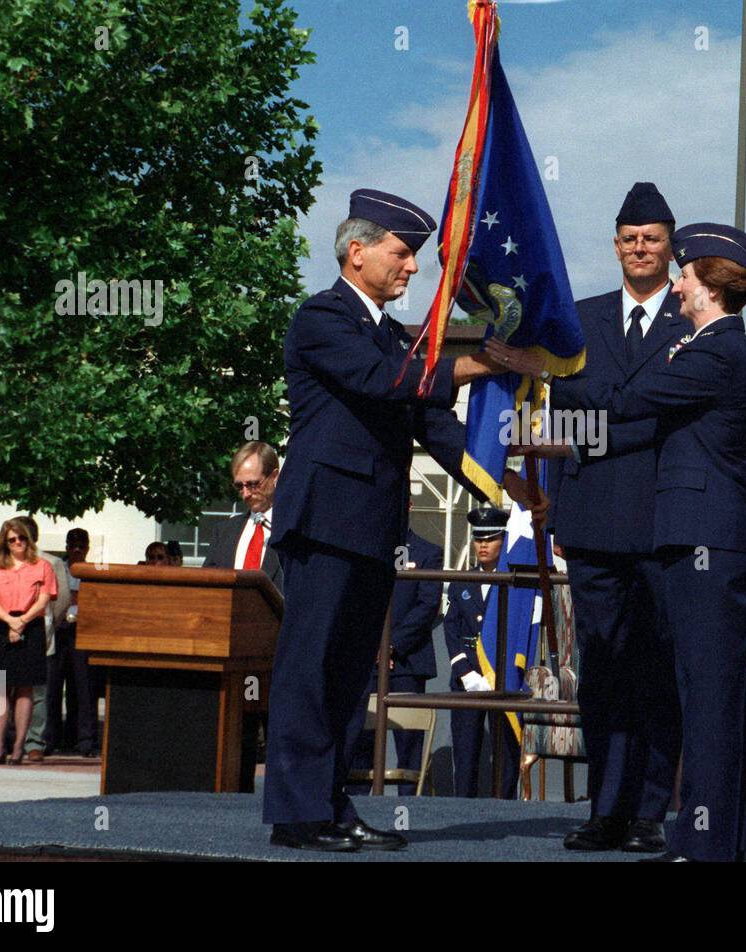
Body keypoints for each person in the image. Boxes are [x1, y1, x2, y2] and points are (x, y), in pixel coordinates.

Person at [263, 187, 546, 852]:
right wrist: (487, 361)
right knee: (311, 671)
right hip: (324, 524)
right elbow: (386, 381)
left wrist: (501, 482)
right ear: (355, 252)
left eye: (417, 255)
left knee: (348, 676)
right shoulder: (321, 319)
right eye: (402, 253)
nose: (413, 268)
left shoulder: (392, 338)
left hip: (370, 530)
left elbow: (432, 424)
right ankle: (297, 815)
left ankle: (329, 806)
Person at [507, 221, 746, 862]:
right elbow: (618, 417)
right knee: (692, 689)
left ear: (706, 285)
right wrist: (559, 442)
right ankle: (707, 836)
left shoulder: (709, 351)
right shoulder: (698, 344)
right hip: (658, 528)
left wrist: (539, 371)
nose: (674, 279)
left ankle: (696, 835)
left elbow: (627, 402)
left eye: (683, 270)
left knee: (698, 692)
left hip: (697, 535)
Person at [551, 182, 684, 853]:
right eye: (630, 239)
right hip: (593, 521)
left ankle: (649, 813)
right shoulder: (579, 321)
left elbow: (675, 418)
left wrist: (603, 411)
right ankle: (605, 810)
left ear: (671, 247)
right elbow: (564, 418)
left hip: (663, 526)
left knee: (657, 672)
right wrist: (625, 412)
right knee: (600, 675)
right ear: (616, 246)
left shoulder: (692, 323)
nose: (640, 249)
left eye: (652, 239)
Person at [349, 516, 444, 793]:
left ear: (410, 506)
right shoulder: (364, 548)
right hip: (365, 661)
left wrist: (392, 645)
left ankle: (406, 812)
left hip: (407, 663)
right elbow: (355, 600)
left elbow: (427, 606)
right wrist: (374, 644)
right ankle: (357, 810)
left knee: (409, 747)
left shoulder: (428, 552)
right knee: (360, 743)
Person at [444, 507, 520, 798]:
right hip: (467, 678)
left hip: (502, 676)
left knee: (506, 758)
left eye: (490, 539)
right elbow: (450, 628)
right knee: (465, 753)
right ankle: (462, 810)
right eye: (478, 540)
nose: (483, 545)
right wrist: (464, 670)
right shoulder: (463, 581)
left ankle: (504, 811)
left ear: (503, 540)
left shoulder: (515, 582)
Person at [0, 516, 70, 764]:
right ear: (5, 543)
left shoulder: (43, 566)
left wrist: (22, 622)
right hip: (0, 627)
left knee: (25, 689)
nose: (17, 542)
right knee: (0, 689)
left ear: (28, 540)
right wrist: (10, 621)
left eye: (21, 538)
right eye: (12, 539)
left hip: (31, 628)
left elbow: (45, 599)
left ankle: (20, 747)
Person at [201, 441, 284, 589]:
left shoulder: (292, 530)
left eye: (253, 484)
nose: (246, 494)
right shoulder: (224, 533)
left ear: (274, 477)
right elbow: (206, 587)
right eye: (239, 486)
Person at [47, 528, 99, 756]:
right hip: (59, 630)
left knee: (83, 689)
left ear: (87, 547)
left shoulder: (92, 571)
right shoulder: (57, 568)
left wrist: (74, 597)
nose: (77, 549)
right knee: (53, 688)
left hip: (82, 631)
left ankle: (83, 740)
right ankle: (50, 739)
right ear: (67, 546)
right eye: (73, 545)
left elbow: (95, 598)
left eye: (81, 545)